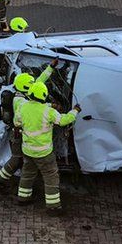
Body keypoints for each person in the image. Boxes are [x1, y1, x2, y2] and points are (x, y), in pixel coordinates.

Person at [15, 82, 79, 215]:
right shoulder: (48, 112)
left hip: (27, 150)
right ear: (44, 96)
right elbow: (63, 120)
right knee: (50, 176)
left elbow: (17, 123)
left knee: (27, 173)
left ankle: (23, 198)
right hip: (43, 152)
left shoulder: (22, 107)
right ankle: (53, 206)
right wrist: (75, 111)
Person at [0, 60, 58, 190]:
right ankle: (0, 179)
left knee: (20, 160)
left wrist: (50, 67)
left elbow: (40, 80)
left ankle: (3, 180)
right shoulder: (20, 101)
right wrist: (51, 106)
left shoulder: (23, 93)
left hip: (22, 133)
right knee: (16, 159)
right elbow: (33, 109)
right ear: (26, 88)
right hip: (18, 134)